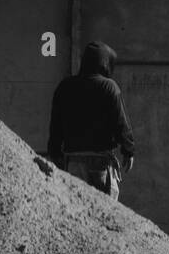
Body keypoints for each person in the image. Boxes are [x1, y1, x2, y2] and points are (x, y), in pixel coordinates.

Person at [47, 41, 135, 200]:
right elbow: (121, 123)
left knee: (78, 212)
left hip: (73, 161)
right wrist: (128, 151)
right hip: (100, 162)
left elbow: (55, 126)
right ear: (105, 63)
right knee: (105, 213)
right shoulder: (109, 87)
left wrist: (54, 153)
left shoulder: (64, 87)